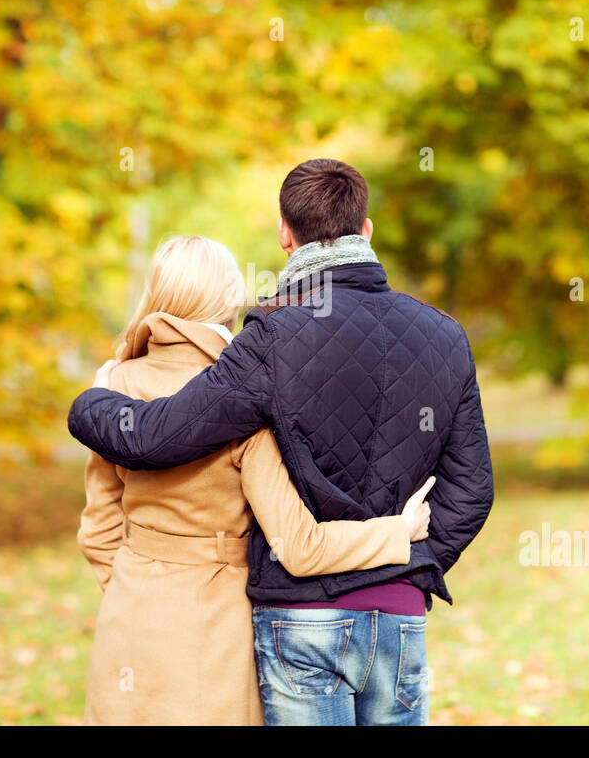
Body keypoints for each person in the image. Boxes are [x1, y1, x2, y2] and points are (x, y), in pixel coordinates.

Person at [70, 159, 494, 725]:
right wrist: (407, 566)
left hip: (300, 616)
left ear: (283, 234)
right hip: (399, 613)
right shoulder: (445, 335)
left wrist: (91, 401)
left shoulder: (269, 336)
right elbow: (472, 491)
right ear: (366, 230)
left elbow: (158, 436)